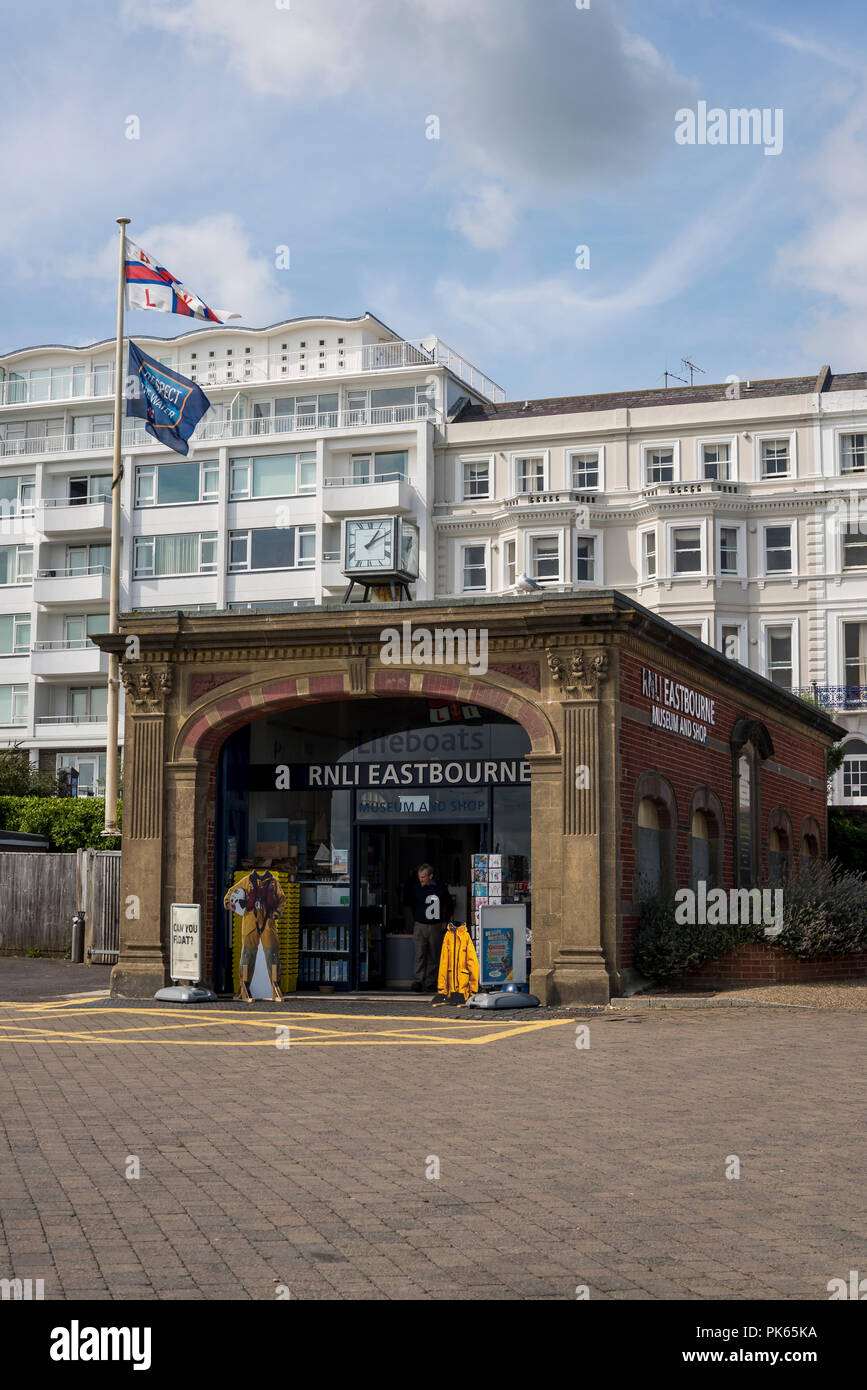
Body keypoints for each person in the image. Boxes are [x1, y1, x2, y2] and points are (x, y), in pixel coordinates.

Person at [224, 867, 286, 1003]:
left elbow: (282, 899)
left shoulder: (273, 883)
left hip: (267, 922)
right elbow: (230, 894)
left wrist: (276, 914)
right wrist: (229, 903)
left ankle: (276, 986)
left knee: (272, 955)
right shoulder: (248, 881)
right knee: (248, 955)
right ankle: (243, 988)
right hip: (251, 922)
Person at [408, 862, 452, 992]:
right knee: (419, 954)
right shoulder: (416, 888)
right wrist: (414, 921)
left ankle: (431, 982)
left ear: (430, 876)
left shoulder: (440, 888)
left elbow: (449, 903)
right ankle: (418, 981)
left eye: (423, 877)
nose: (420, 880)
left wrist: (445, 920)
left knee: (434, 954)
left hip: (435, 925)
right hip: (420, 925)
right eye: (419, 877)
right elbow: (411, 905)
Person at [432, 919, 479, 1007]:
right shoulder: (448, 936)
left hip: (463, 992)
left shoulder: (466, 936)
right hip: (450, 992)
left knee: (471, 964)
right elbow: (444, 962)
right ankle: (449, 995)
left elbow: (473, 963)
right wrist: (442, 991)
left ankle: (461, 995)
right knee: (445, 963)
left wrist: (473, 992)